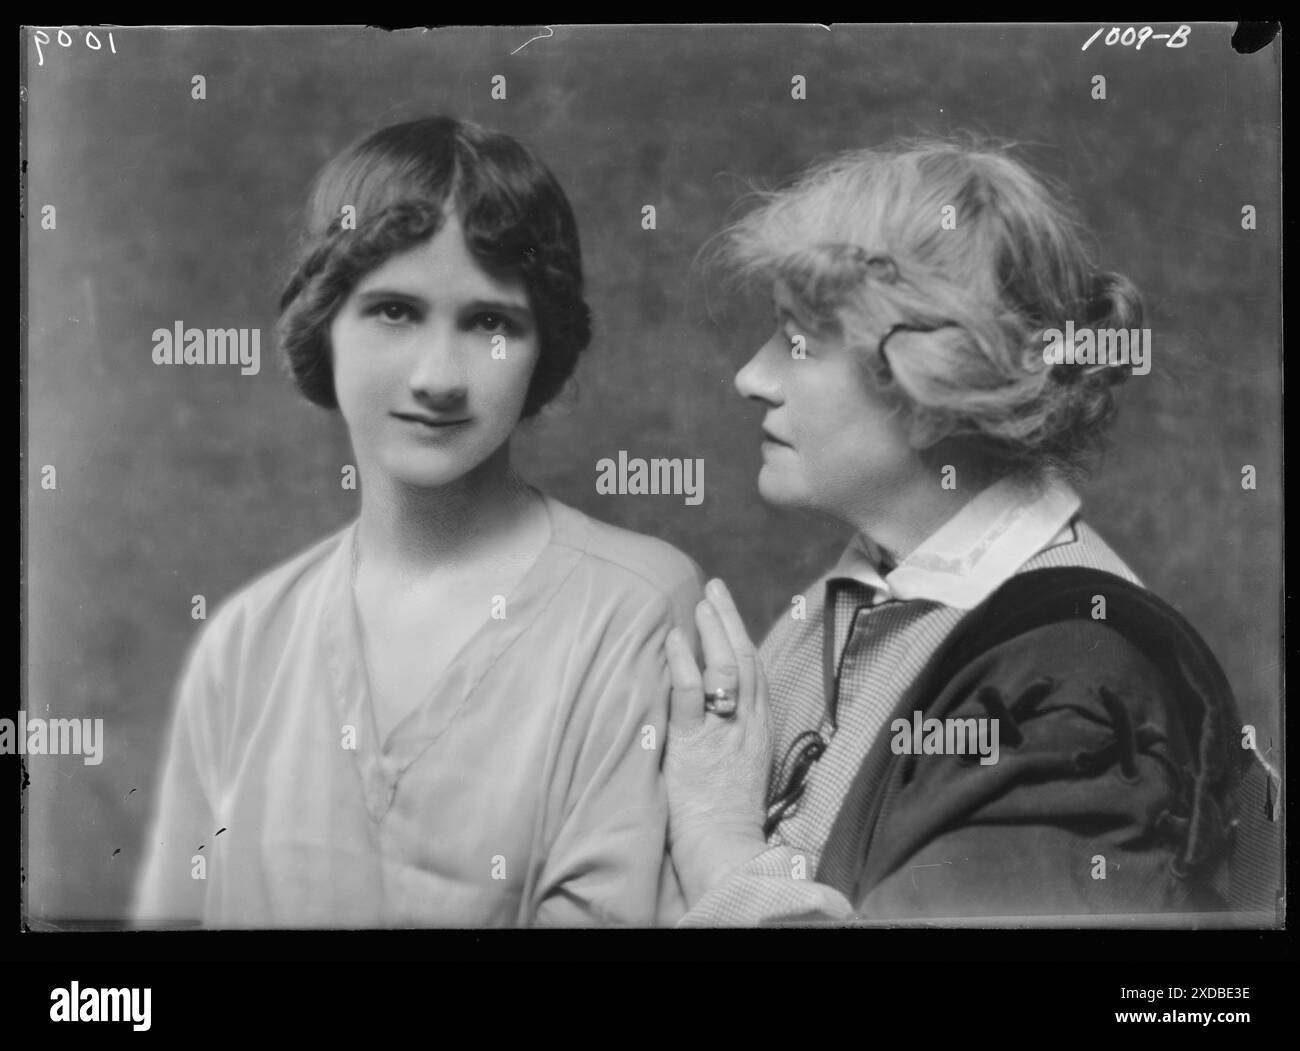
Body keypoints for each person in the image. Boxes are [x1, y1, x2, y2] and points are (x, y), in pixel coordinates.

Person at [663, 140, 1277, 925]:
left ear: (930, 387)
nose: (751, 376)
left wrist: (717, 837)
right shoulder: (845, 598)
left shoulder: (1077, 686)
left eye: (799, 340)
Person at [133, 116, 701, 928]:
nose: (439, 378)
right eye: (394, 312)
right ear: (322, 323)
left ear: (546, 345)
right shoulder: (246, 639)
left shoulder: (636, 608)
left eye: (490, 323)